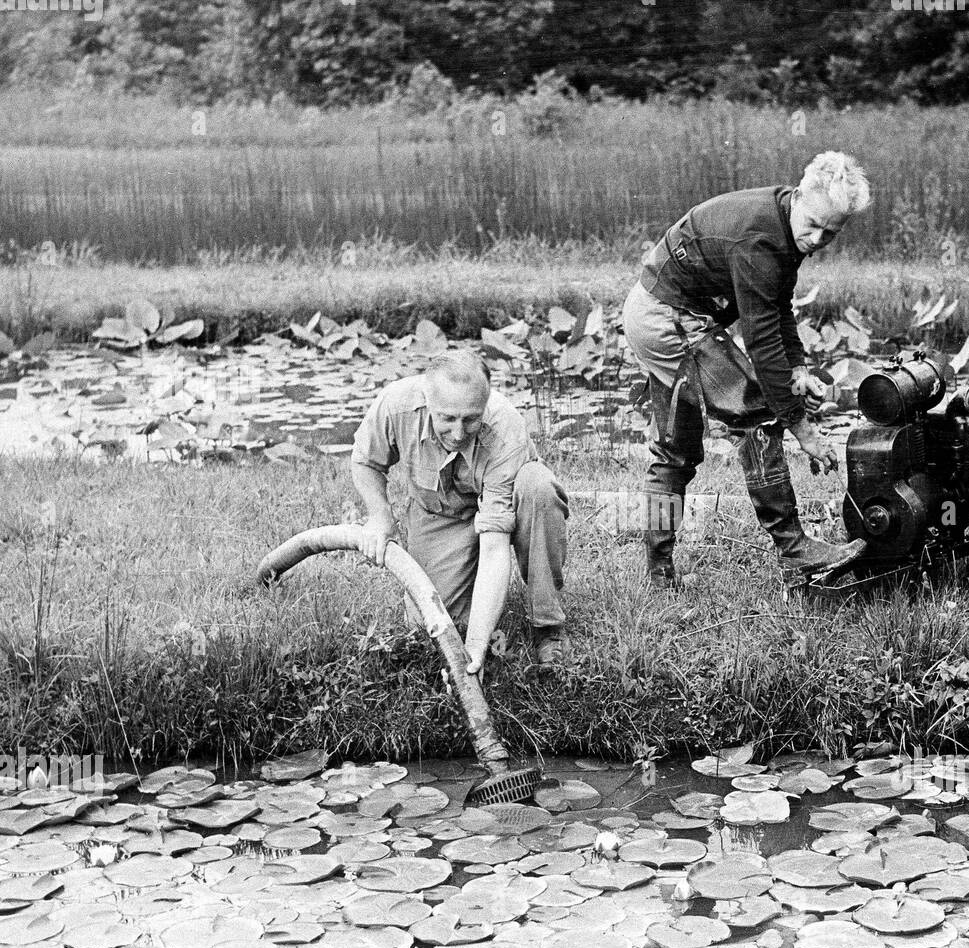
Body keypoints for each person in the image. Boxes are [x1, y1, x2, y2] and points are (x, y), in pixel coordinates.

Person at [622, 150, 872, 588]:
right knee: (760, 415)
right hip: (666, 317)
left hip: (658, 309)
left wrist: (798, 368)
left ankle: (658, 577)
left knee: (673, 453)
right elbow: (760, 341)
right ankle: (794, 550)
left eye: (830, 233)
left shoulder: (784, 229)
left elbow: (777, 305)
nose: (815, 239)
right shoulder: (760, 239)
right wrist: (803, 427)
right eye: (812, 224)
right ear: (799, 196)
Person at [350, 348, 568, 672]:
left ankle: (547, 626)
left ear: (486, 401)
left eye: (471, 419)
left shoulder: (506, 427)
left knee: (537, 487)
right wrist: (381, 517)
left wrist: (476, 649)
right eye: (447, 418)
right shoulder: (396, 405)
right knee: (432, 625)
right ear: (428, 401)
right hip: (439, 514)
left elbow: (495, 548)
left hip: (506, 503)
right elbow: (366, 461)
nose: (458, 433)